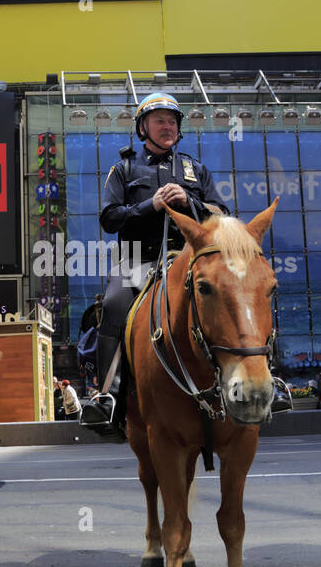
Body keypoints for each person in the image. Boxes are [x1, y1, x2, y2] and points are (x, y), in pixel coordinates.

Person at [78, 92, 225, 434]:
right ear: (143, 127)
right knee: (114, 305)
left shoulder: (195, 169)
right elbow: (109, 219)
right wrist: (151, 206)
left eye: (172, 121)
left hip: (186, 258)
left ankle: (258, 382)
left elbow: (222, 214)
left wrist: (189, 200)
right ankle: (107, 396)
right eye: (159, 120)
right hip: (136, 260)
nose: (167, 126)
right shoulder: (124, 169)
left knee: (236, 292)